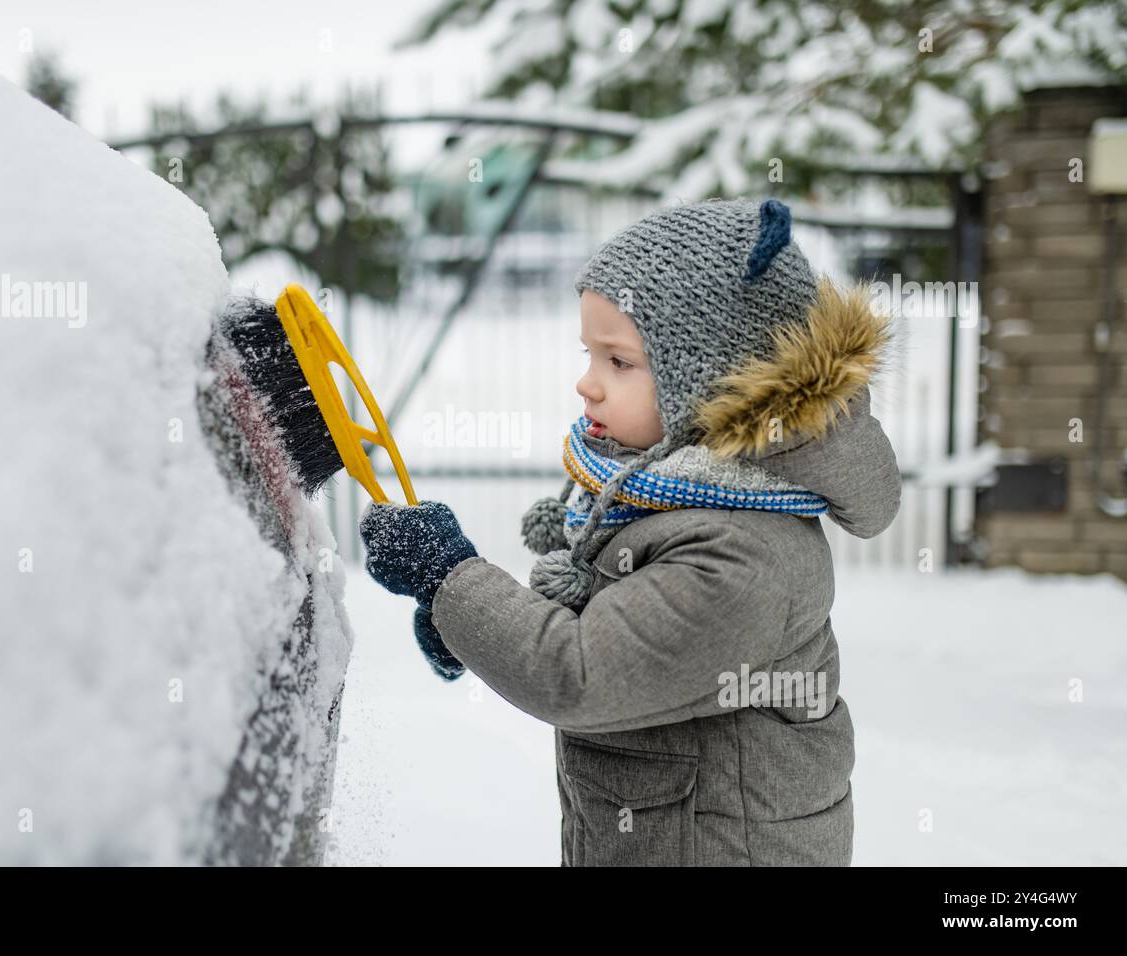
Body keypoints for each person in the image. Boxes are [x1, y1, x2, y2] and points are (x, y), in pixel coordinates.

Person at [357, 197, 902, 866]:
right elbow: (622, 624)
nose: (586, 384)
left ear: (710, 380)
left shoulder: (743, 554)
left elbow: (581, 674)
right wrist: (467, 626)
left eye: (618, 361)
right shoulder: (669, 496)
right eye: (588, 354)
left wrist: (451, 579)